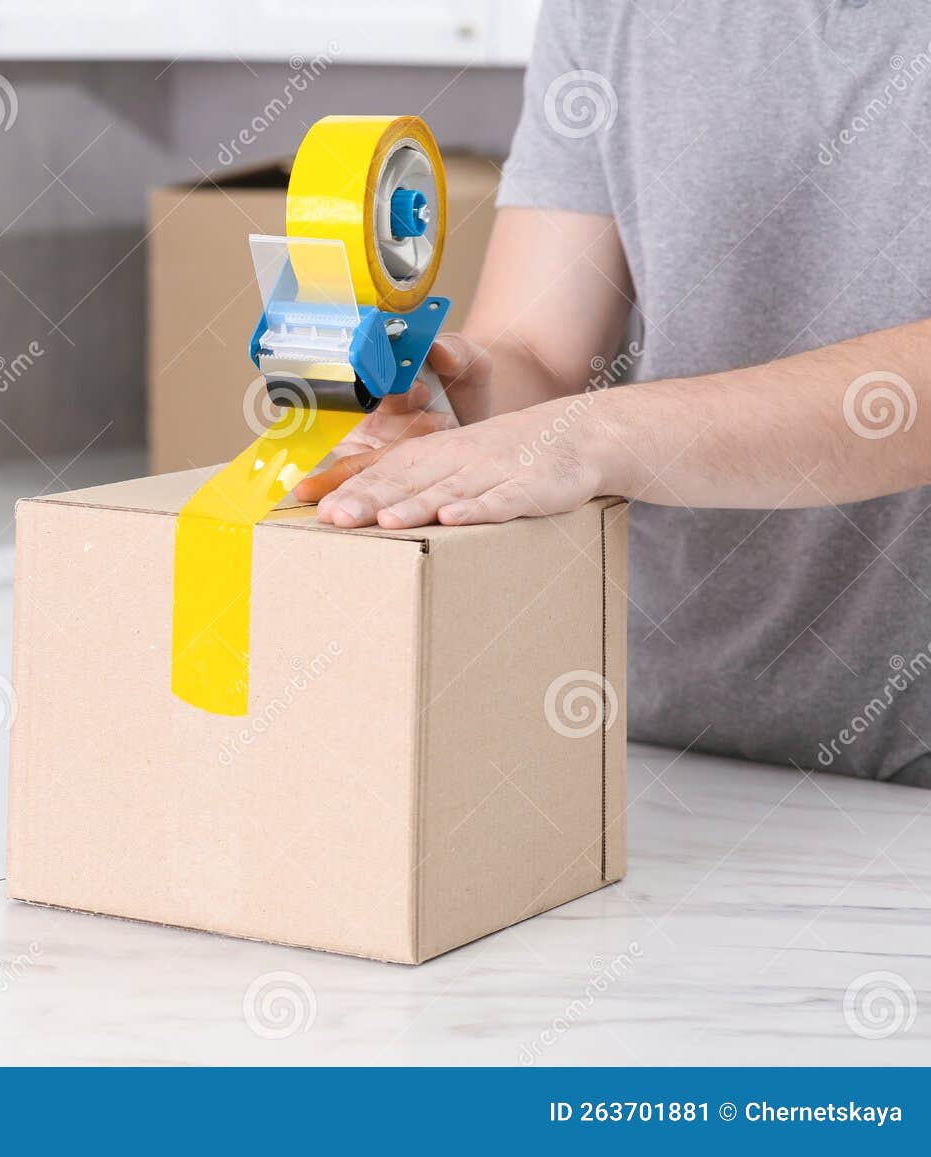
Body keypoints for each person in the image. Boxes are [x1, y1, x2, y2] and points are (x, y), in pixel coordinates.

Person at [295, 1, 931, 785]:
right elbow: (538, 351)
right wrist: (458, 398)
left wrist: (595, 434)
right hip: (647, 730)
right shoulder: (609, 12)